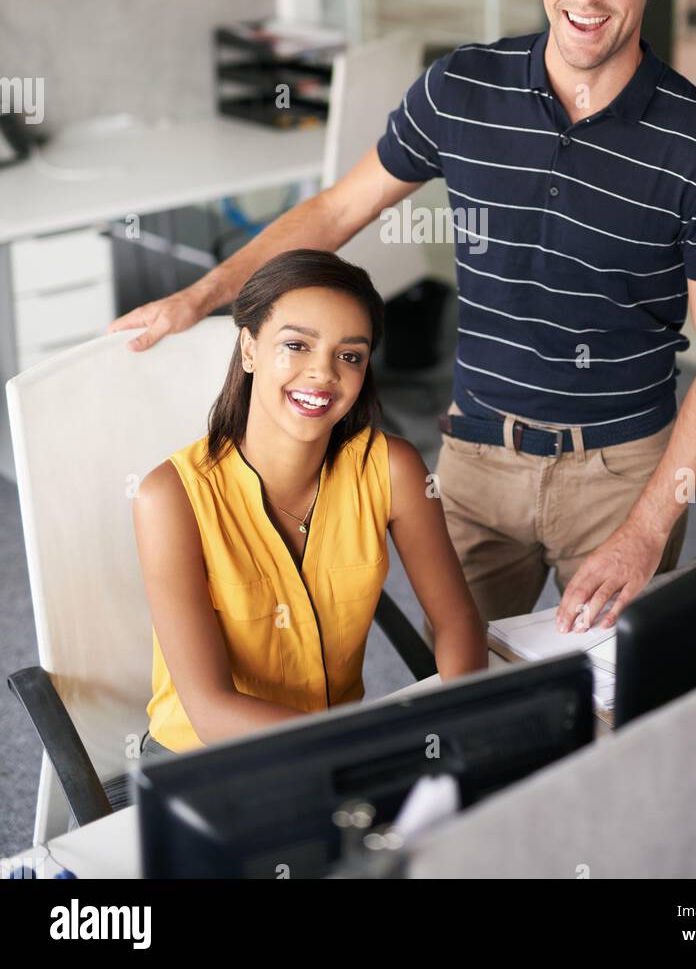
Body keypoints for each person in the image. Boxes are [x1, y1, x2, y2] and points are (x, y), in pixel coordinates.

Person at [112, 0, 696, 652]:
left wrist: (645, 528)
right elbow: (336, 209)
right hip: (474, 459)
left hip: (622, 474)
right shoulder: (462, 90)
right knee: (461, 697)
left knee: (615, 709)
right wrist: (199, 297)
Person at [135, 248, 486, 757]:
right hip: (203, 763)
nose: (323, 374)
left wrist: (456, 718)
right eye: (297, 345)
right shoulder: (169, 496)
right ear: (250, 349)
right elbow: (210, 711)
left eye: (349, 355)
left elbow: (457, 620)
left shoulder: (393, 468)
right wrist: (377, 743)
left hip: (336, 752)